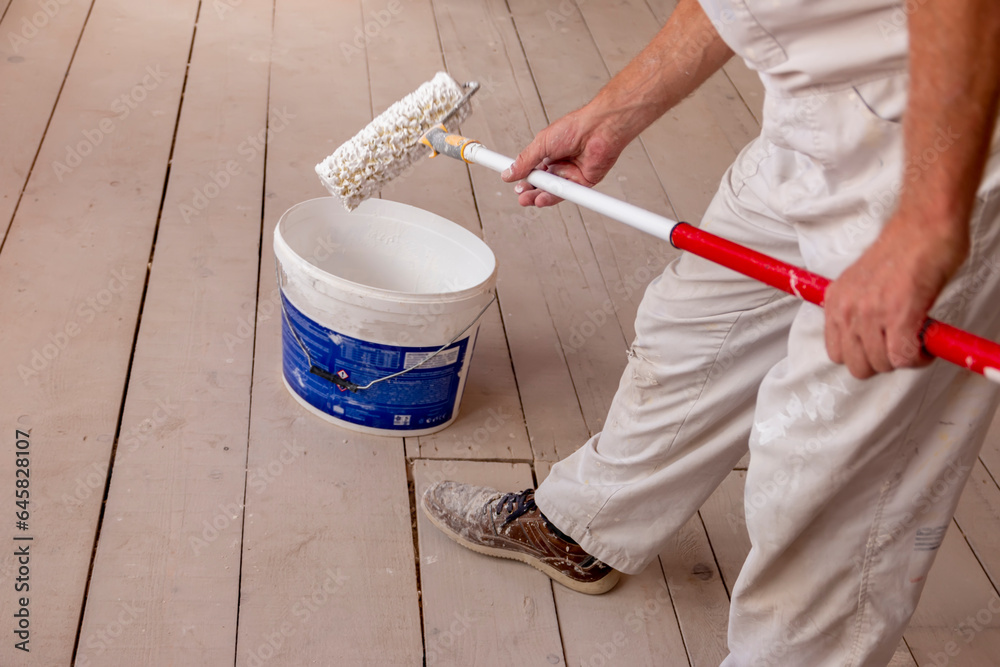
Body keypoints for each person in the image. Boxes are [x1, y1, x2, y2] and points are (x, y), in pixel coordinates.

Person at [420, 0, 1000, 664]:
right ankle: (586, 525)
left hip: (945, 141)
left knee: (827, 476)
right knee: (691, 328)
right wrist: (616, 111)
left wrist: (926, 227)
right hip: (826, 107)